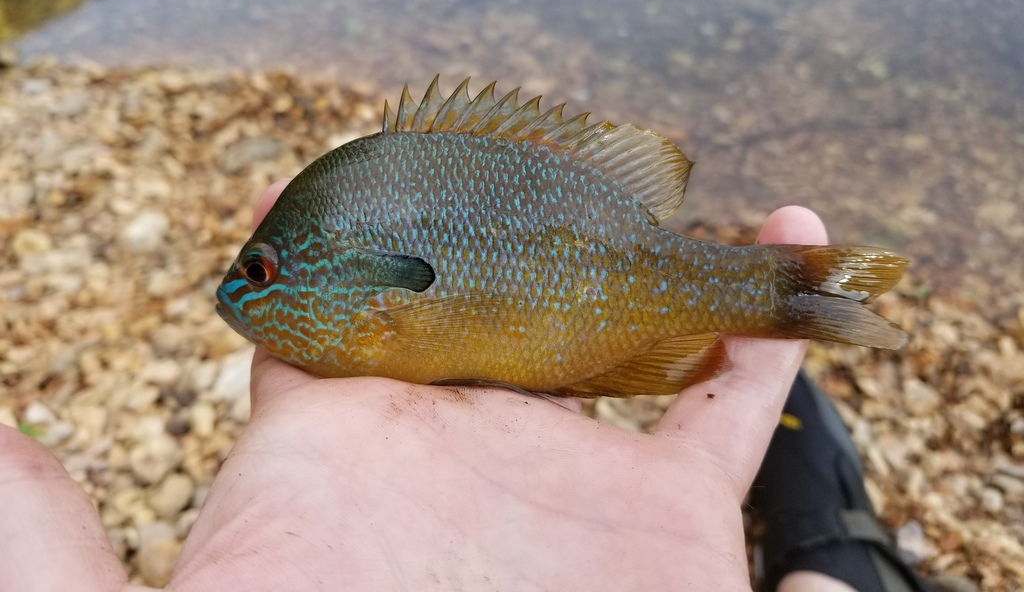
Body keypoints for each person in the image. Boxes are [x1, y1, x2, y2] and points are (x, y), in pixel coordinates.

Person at [0, 202, 954, 591]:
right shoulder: (356, 300)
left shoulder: (366, 310)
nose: (240, 297)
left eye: (260, 271)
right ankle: (833, 562)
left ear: (358, 285)